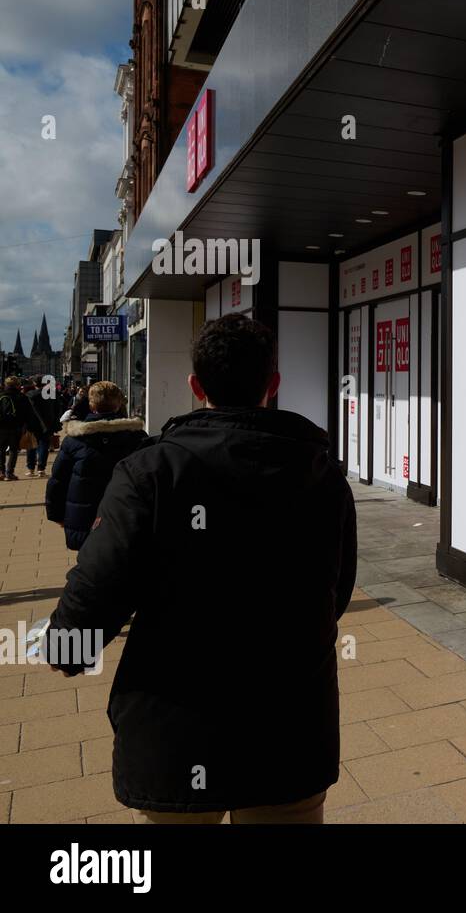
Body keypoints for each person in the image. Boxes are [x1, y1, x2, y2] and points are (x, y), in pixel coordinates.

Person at [45, 314, 357, 824]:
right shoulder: (322, 474)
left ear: (195, 386)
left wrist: (65, 646)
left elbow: (98, 587)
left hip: (177, 721)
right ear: (272, 384)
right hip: (291, 722)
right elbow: (335, 590)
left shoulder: (150, 472)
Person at [45, 381, 147, 549]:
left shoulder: (74, 440)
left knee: (89, 563)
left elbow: (58, 480)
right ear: (118, 405)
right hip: (126, 513)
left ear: (91, 406)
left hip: (85, 518)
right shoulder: (137, 437)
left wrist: (56, 514)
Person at [0, 375, 46, 481]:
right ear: (17, 385)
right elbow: (28, 414)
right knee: (13, 450)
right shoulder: (22, 397)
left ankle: (1, 472)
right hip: (16, 427)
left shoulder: (1, 395)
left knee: (1, 450)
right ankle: (10, 473)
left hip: (1, 427)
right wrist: (28, 427)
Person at [25, 376, 64, 477]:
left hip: (33, 424)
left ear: (34, 383)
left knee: (31, 446)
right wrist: (56, 421)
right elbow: (57, 409)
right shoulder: (52, 394)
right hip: (48, 424)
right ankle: (41, 469)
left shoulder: (30, 394)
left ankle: (31, 469)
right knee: (44, 445)